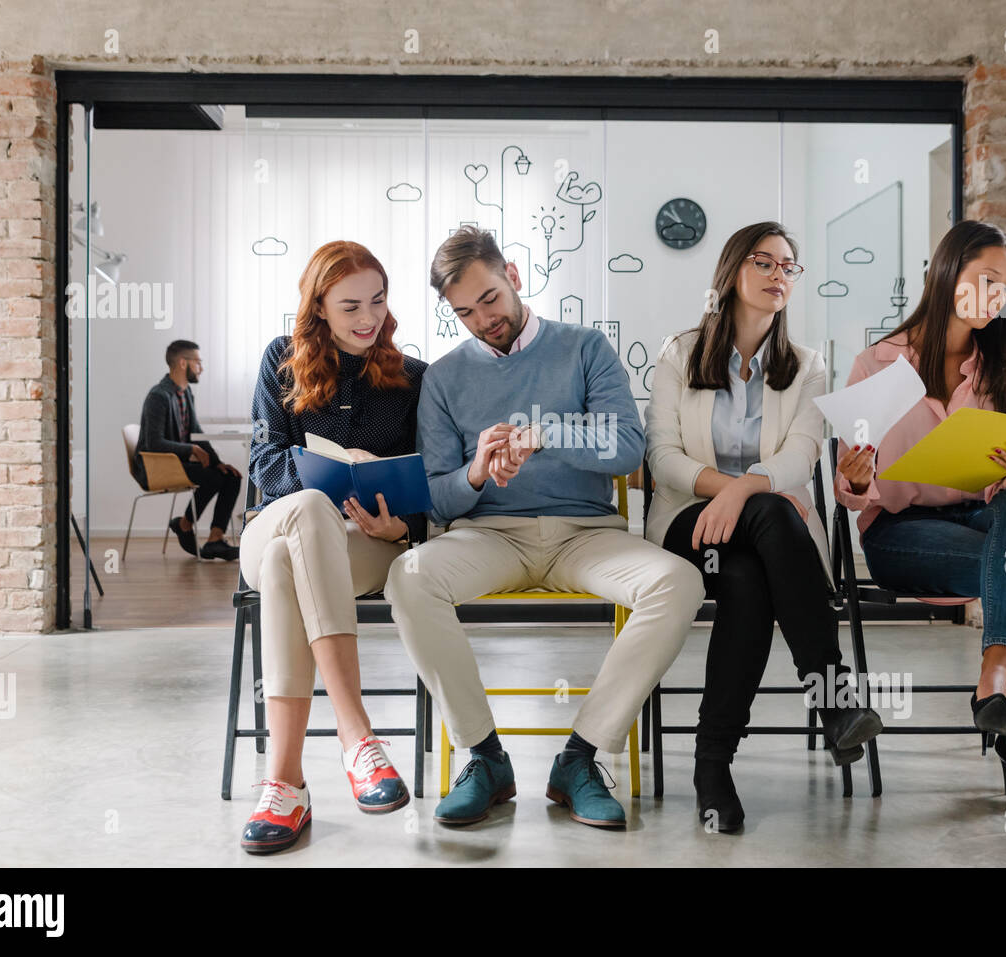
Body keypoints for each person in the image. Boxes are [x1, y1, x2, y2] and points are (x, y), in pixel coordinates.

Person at [384, 226, 705, 830]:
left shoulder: (585, 348)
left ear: (513, 276)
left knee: (679, 582)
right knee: (410, 574)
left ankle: (580, 758)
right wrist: (476, 471)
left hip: (587, 534)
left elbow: (628, 448)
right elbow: (434, 498)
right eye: (464, 313)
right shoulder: (445, 378)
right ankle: (484, 758)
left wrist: (547, 430)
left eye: (490, 300)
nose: (483, 319)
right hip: (489, 537)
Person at [833, 220, 1006, 812]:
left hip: (988, 517)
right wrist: (857, 477)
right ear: (948, 274)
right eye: (987, 280)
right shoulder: (878, 364)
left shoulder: (1005, 374)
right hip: (901, 532)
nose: (996, 298)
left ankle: (994, 672)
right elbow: (852, 489)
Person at [645, 221, 883, 833]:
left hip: (763, 539)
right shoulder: (678, 352)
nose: (780, 275)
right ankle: (833, 698)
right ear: (731, 273)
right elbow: (664, 459)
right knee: (771, 510)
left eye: (788, 267)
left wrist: (746, 492)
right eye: (765, 262)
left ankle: (712, 768)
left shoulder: (807, 366)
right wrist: (735, 495)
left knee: (749, 576)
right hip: (687, 528)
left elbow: (802, 453)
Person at [237, 240, 428, 853]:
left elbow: (426, 485)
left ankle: (284, 786)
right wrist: (321, 475)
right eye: (350, 305)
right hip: (276, 519)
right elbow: (264, 464)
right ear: (318, 306)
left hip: (365, 545)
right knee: (303, 515)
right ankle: (357, 737)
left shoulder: (411, 378)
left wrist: (400, 527)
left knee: (283, 563)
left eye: (377, 300)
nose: (368, 317)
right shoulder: (280, 360)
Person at [132, 339, 242, 560]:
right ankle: (184, 524)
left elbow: (195, 431)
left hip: (179, 462)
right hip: (158, 466)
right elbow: (154, 443)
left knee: (230, 477)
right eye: (198, 362)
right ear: (183, 363)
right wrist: (190, 449)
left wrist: (217, 462)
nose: (201, 367)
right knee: (214, 479)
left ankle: (214, 540)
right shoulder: (158, 396)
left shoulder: (185, 393)